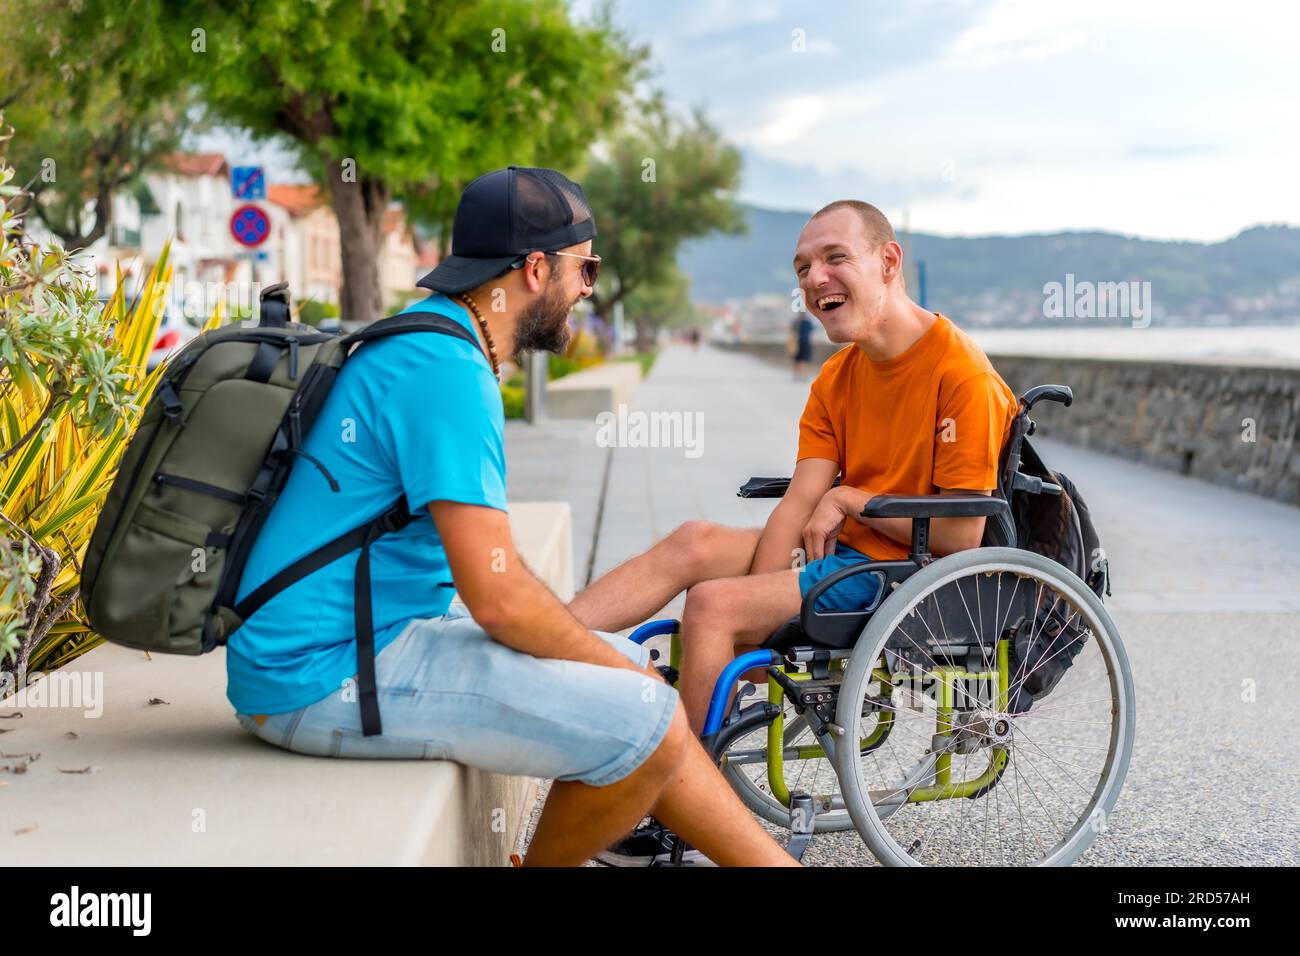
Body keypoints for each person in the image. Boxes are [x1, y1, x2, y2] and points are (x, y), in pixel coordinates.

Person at [228, 166, 797, 868]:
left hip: (353, 643)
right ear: (536, 269)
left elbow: (493, 576)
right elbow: (497, 601)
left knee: (628, 669)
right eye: (584, 268)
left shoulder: (426, 341)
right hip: (320, 675)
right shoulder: (446, 372)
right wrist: (623, 678)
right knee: (644, 712)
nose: (588, 288)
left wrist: (611, 665)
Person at [571, 200, 1018, 859]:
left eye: (836, 258)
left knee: (713, 606)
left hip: (908, 575)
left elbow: (961, 538)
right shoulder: (840, 375)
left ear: (888, 262)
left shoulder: (961, 375)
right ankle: (542, 640)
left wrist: (851, 502)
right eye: (804, 267)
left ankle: (681, 810)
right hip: (841, 554)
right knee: (695, 541)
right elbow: (800, 500)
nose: (815, 279)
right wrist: (768, 588)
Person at [789, 310, 815, 378]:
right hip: (806, 342)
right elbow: (812, 331)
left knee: (797, 360)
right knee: (804, 360)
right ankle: (804, 374)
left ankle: (796, 374)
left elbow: (791, 331)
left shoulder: (796, 322)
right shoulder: (808, 322)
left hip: (796, 343)